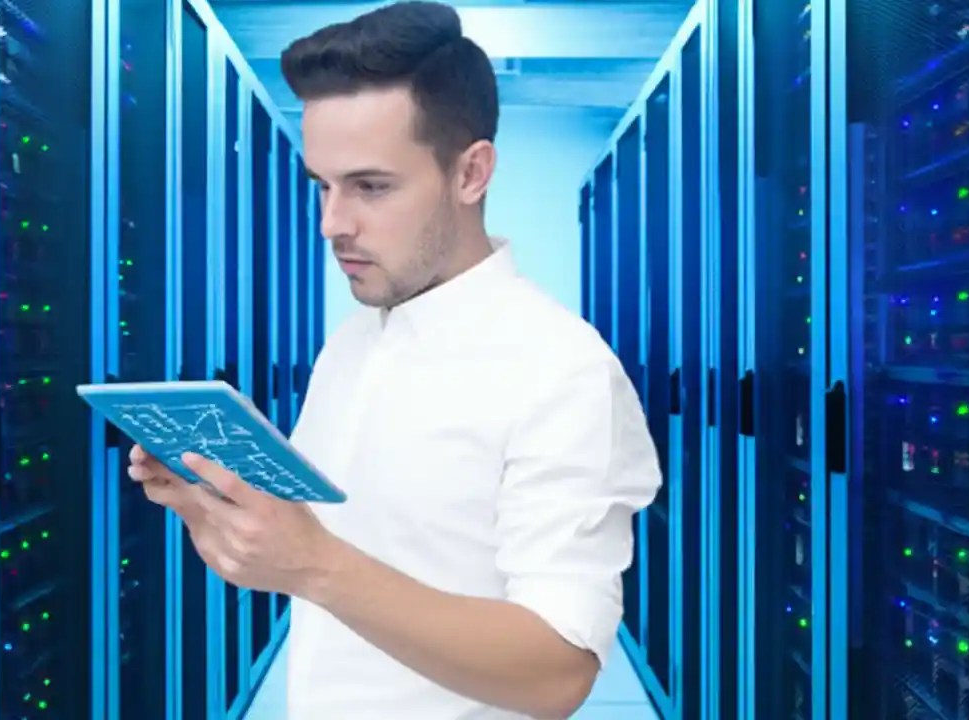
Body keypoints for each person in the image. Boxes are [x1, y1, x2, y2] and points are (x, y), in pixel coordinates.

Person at [125, 1, 662, 718]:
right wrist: (227, 517)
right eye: (323, 184)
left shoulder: (562, 371)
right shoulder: (353, 342)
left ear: (472, 173)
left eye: (371, 186)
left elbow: (558, 671)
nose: (332, 224)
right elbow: (340, 557)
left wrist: (314, 565)